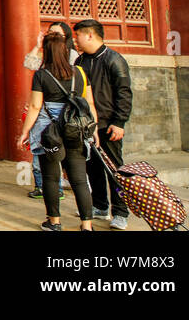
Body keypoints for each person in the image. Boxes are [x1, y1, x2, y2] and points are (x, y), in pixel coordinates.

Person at [17, 30, 97, 231]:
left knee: (51, 177)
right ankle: (87, 226)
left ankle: (54, 222)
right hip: (76, 128)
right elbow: (89, 103)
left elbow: (35, 107)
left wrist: (25, 132)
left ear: (47, 52)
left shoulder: (42, 75)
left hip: (50, 131)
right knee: (79, 178)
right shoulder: (80, 73)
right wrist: (93, 130)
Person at [74, 18, 133, 230]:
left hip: (109, 125)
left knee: (115, 170)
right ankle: (99, 206)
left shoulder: (114, 59)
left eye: (78, 35)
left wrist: (119, 122)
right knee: (93, 168)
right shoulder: (80, 62)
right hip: (88, 126)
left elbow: (124, 93)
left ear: (90, 34)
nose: (76, 40)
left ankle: (120, 211)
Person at [22, 21, 78, 199]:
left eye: (56, 33)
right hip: (45, 111)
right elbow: (29, 63)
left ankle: (59, 187)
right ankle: (41, 186)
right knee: (40, 151)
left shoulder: (73, 58)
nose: (51, 36)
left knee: (58, 153)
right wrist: (37, 47)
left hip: (62, 113)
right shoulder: (45, 60)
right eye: (50, 33)